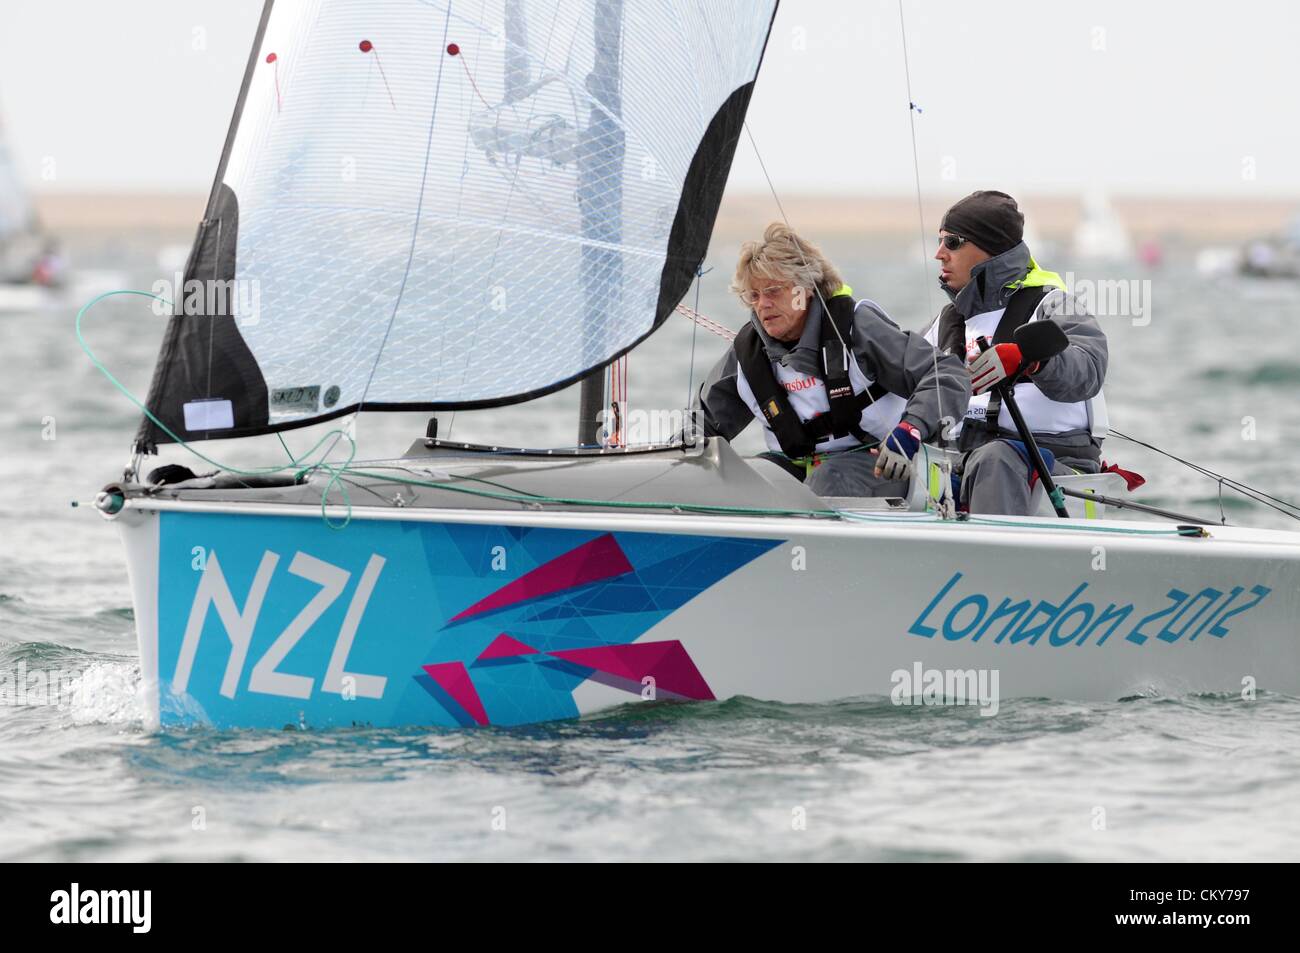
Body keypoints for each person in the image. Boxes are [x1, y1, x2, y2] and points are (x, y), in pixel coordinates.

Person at [698, 222, 968, 498]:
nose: (762, 304)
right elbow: (703, 424)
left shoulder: (857, 328)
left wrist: (912, 428)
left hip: (888, 467)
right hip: (801, 471)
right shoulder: (749, 352)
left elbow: (947, 375)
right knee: (744, 482)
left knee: (829, 479)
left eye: (774, 291)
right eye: (754, 295)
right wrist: (673, 458)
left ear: (806, 289)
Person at [925, 191, 1108, 515]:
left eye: (952, 242)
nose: (939, 254)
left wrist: (1032, 360)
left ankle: (992, 562)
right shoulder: (946, 321)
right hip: (960, 461)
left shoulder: (1052, 305)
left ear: (989, 250)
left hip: (1049, 466)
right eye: (938, 241)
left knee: (994, 458)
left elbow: (1089, 369)